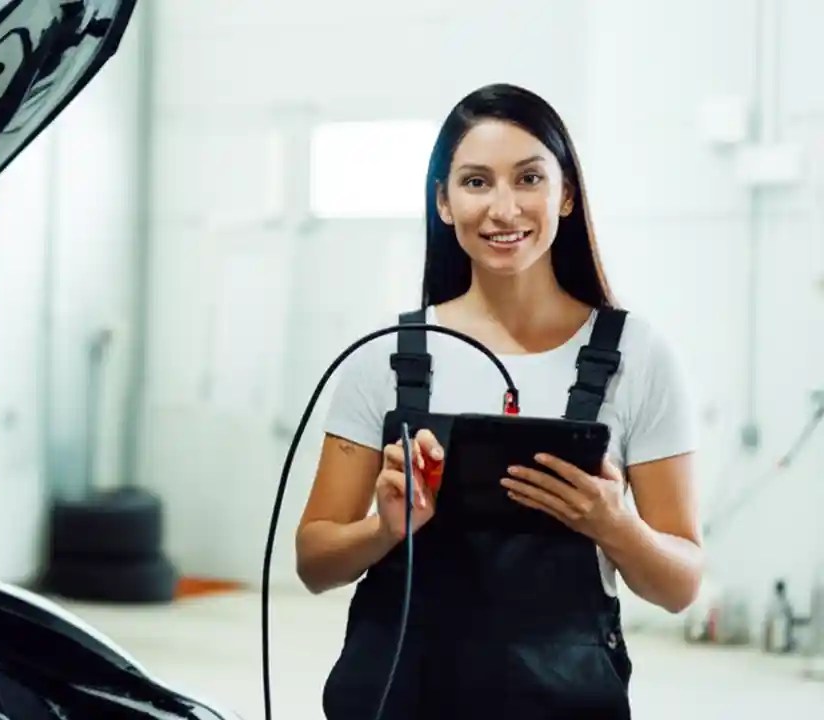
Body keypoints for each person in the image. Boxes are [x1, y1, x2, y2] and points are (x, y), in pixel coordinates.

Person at [295, 83, 704, 719]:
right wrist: (385, 528)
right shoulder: (387, 358)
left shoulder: (638, 357)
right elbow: (315, 563)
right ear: (443, 201)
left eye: (529, 178)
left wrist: (614, 526)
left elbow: (680, 586)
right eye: (476, 182)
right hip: (402, 697)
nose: (503, 209)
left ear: (566, 195)